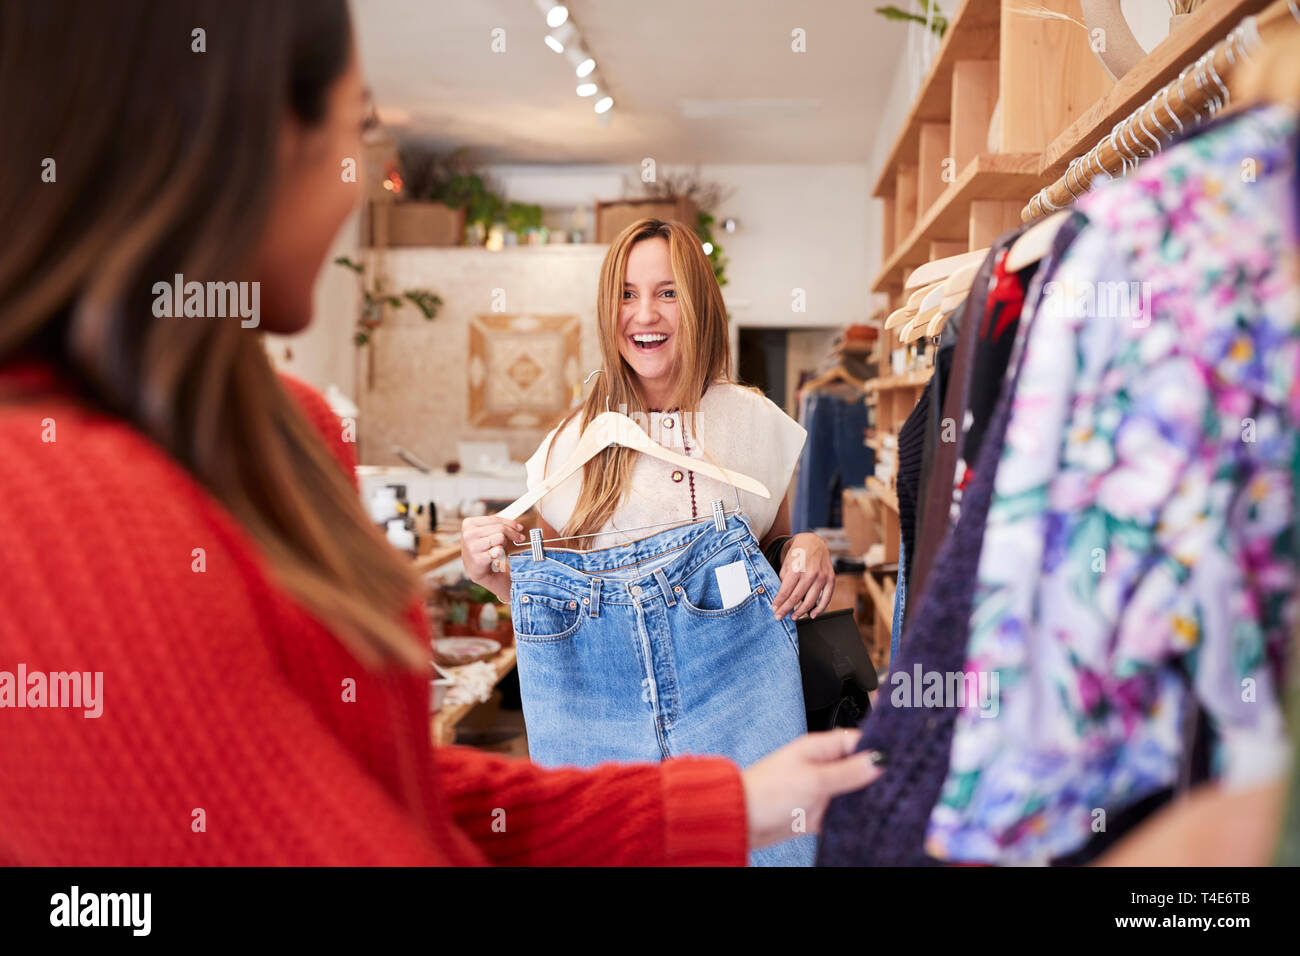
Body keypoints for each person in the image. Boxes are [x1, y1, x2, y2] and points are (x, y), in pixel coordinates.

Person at [0, 0, 879, 866]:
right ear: (244, 136)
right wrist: (516, 586)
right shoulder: (53, 507)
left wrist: (720, 808)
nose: (364, 170)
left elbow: (395, 790)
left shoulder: (287, 435)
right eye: (358, 124)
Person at [461, 218, 839, 866]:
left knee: (771, 845)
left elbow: (773, 547)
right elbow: (551, 592)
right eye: (627, 294)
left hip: (739, 680)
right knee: (608, 845)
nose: (645, 313)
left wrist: (810, 545)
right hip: (601, 690)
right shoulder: (568, 449)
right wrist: (490, 572)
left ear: (698, 304)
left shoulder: (757, 426)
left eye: (667, 293)